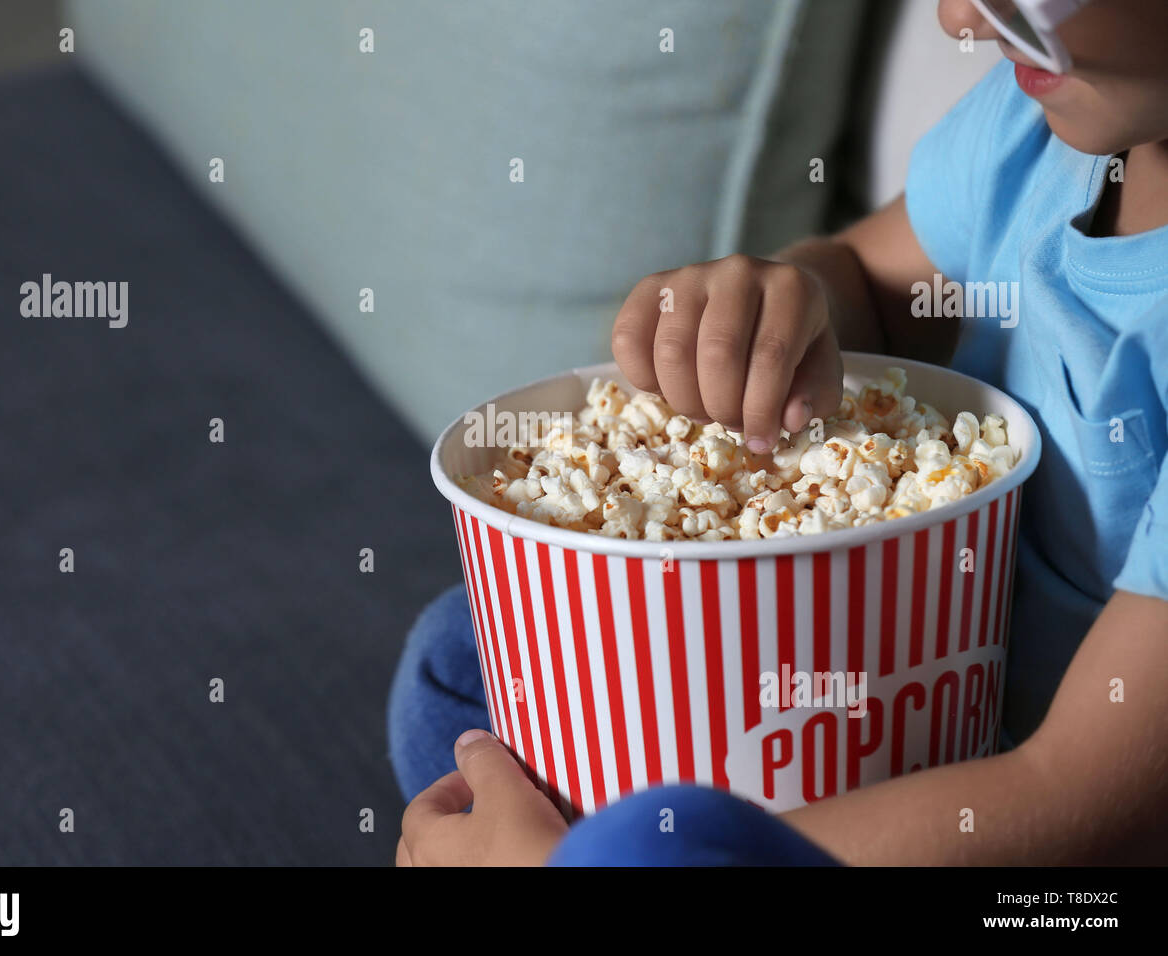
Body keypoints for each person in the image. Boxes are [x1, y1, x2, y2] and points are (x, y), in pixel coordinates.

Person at [391, 0, 1168, 865]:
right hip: (905, 694)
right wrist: (784, 301)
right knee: (458, 668)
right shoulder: (1030, 134)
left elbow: (1085, 800)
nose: (963, 18)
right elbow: (868, 281)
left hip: (1061, 857)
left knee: (632, 852)